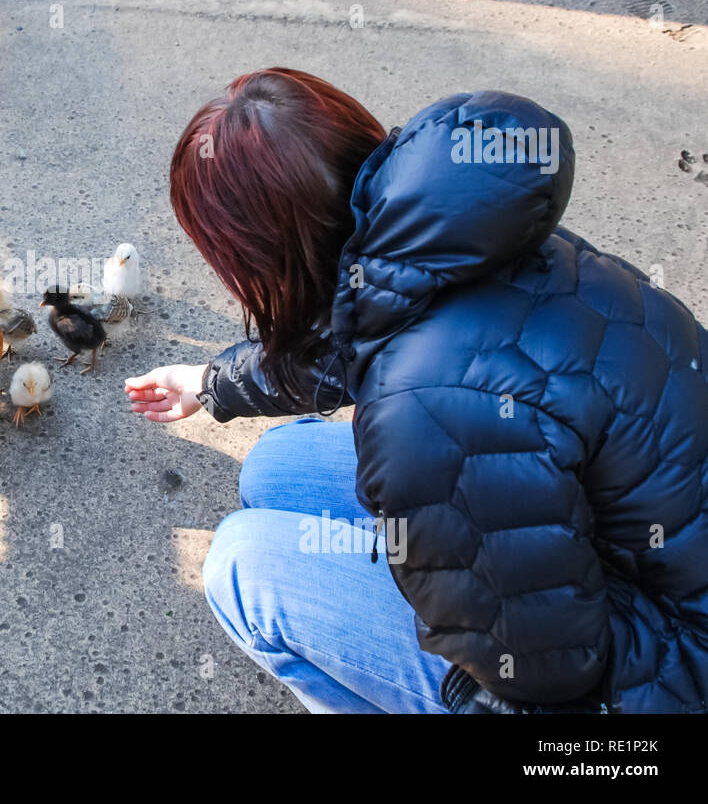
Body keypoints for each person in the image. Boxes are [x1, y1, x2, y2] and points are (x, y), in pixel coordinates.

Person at [125, 68, 708, 713]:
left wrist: (469, 677)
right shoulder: (453, 227)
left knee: (241, 564)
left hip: (659, 682)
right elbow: (362, 335)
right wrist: (211, 384)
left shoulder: (424, 411)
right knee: (277, 466)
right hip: (646, 567)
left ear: (261, 256)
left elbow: (548, 671)